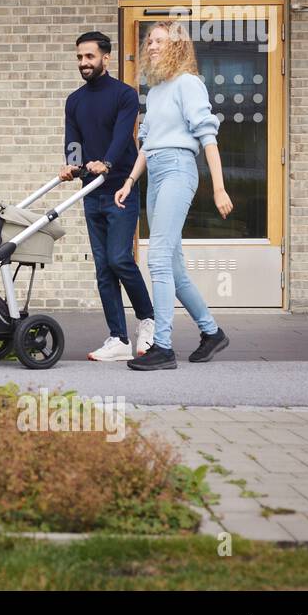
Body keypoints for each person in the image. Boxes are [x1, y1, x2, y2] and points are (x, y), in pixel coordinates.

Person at [115, 21, 233, 371]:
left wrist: (220, 187)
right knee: (174, 266)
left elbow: (207, 135)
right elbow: (148, 144)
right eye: (149, 40)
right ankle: (212, 333)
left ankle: (163, 346)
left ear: (177, 47)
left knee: (158, 259)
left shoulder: (189, 84)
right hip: (157, 173)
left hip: (180, 170)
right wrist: (130, 181)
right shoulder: (155, 91)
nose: (151, 46)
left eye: (159, 41)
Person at [62, 30, 155, 362]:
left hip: (120, 188)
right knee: (103, 268)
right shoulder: (74, 100)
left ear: (106, 58)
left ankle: (148, 322)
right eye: (79, 57)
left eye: (89, 56)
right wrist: (73, 166)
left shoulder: (125, 95)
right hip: (91, 192)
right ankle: (118, 338)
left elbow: (121, 136)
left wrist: (108, 163)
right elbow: (73, 140)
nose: (83, 63)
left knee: (120, 259)